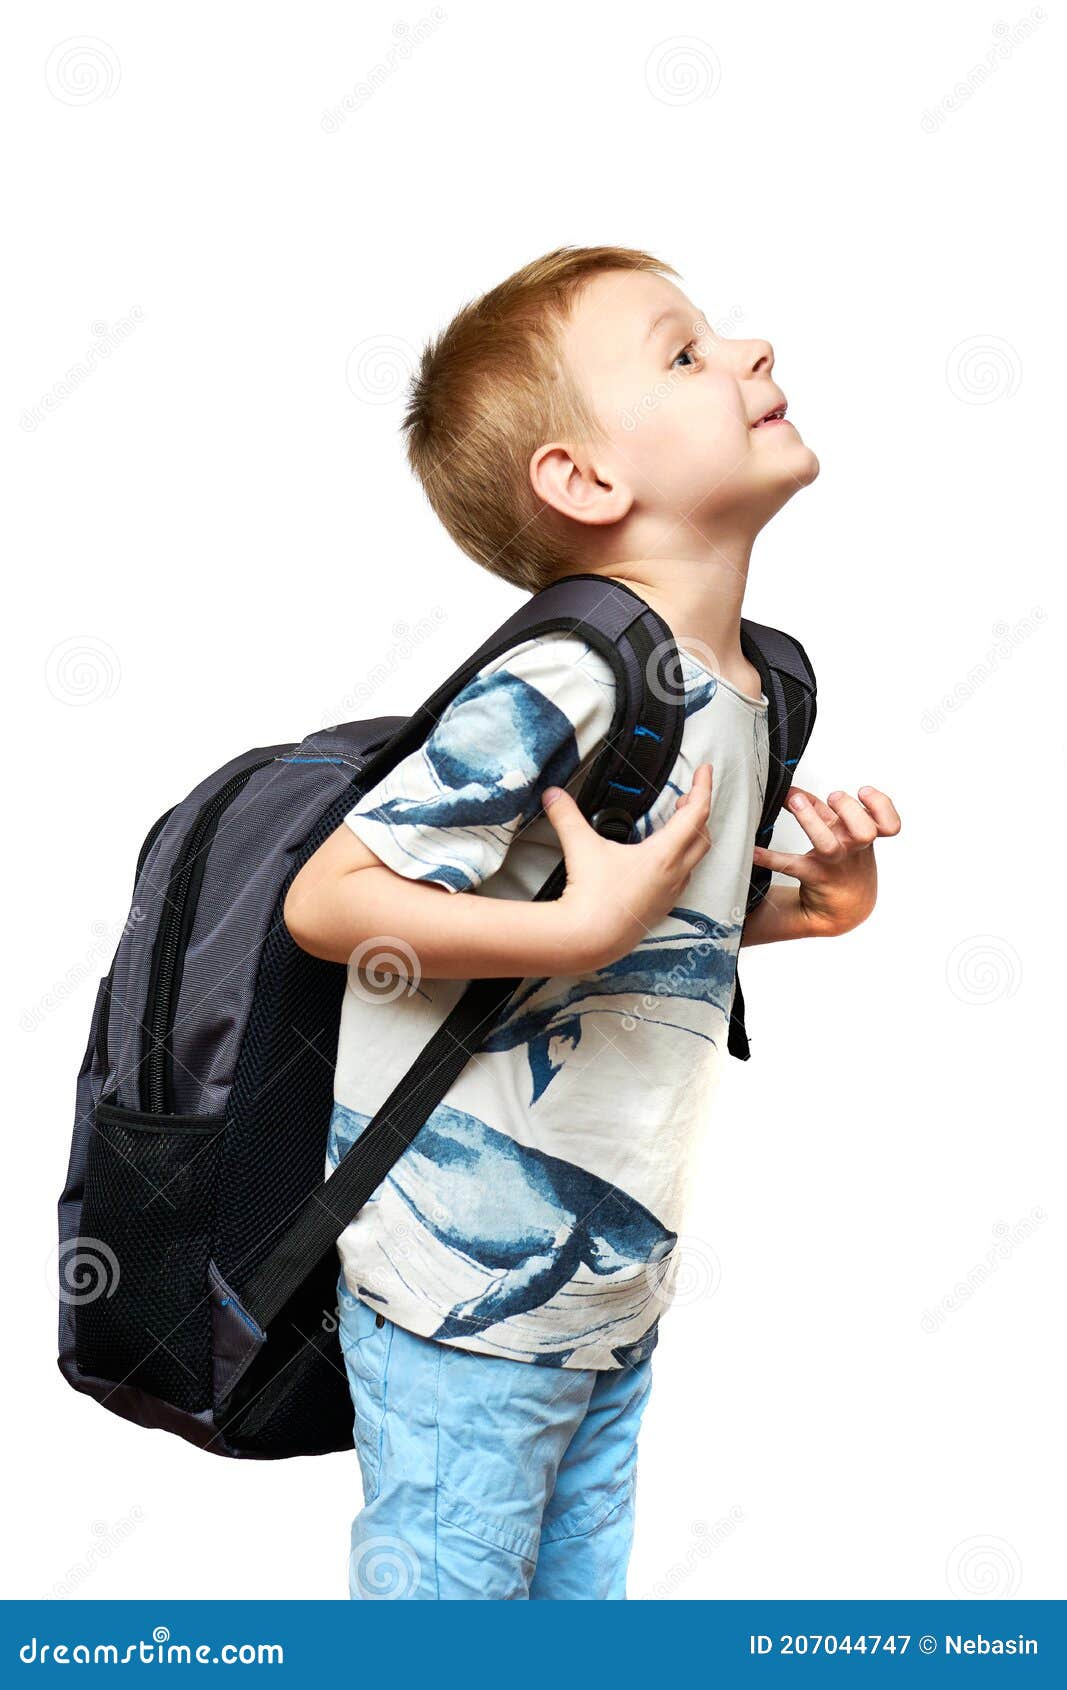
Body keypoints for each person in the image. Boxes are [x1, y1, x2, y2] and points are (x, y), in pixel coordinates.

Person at [283, 247, 901, 1600]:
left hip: (610, 1277)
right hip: (460, 1279)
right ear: (583, 480)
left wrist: (815, 911)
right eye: (685, 352)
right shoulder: (567, 672)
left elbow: (649, 930)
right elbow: (328, 899)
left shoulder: (749, 684)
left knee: (577, 1623)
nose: (752, 354)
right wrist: (572, 931)